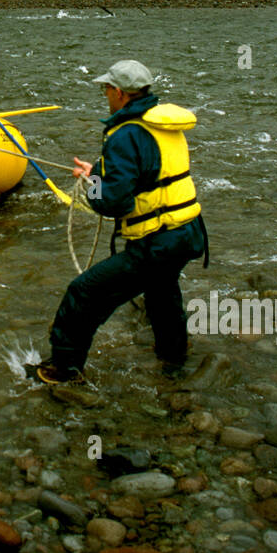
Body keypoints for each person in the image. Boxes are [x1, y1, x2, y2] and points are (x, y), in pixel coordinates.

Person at [36, 59, 208, 385]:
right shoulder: (161, 124)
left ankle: (63, 370)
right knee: (162, 290)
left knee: (83, 293)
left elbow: (113, 203)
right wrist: (97, 173)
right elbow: (145, 173)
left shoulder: (125, 134)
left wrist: (92, 185)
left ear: (119, 93)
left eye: (106, 88)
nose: (105, 94)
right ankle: (174, 360)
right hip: (188, 233)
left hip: (156, 242)